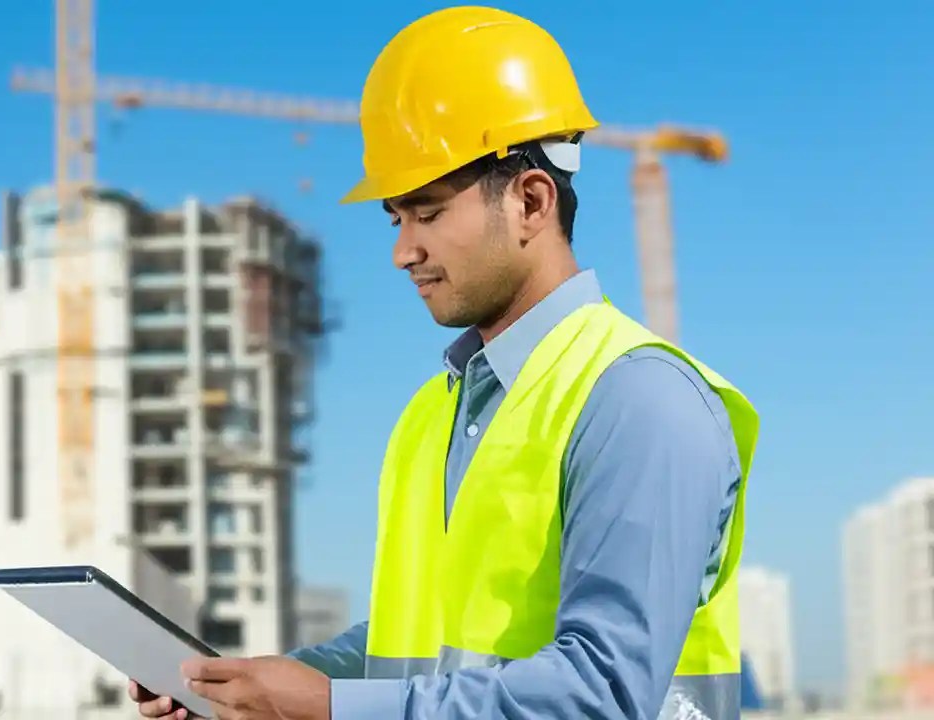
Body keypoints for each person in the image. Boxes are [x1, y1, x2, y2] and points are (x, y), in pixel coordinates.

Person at [129, 6, 758, 720]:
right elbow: (413, 645)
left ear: (529, 200)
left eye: (426, 213)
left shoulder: (640, 400)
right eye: (396, 218)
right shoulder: (435, 414)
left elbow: (604, 693)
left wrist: (330, 706)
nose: (403, 251)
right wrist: (257, 688)